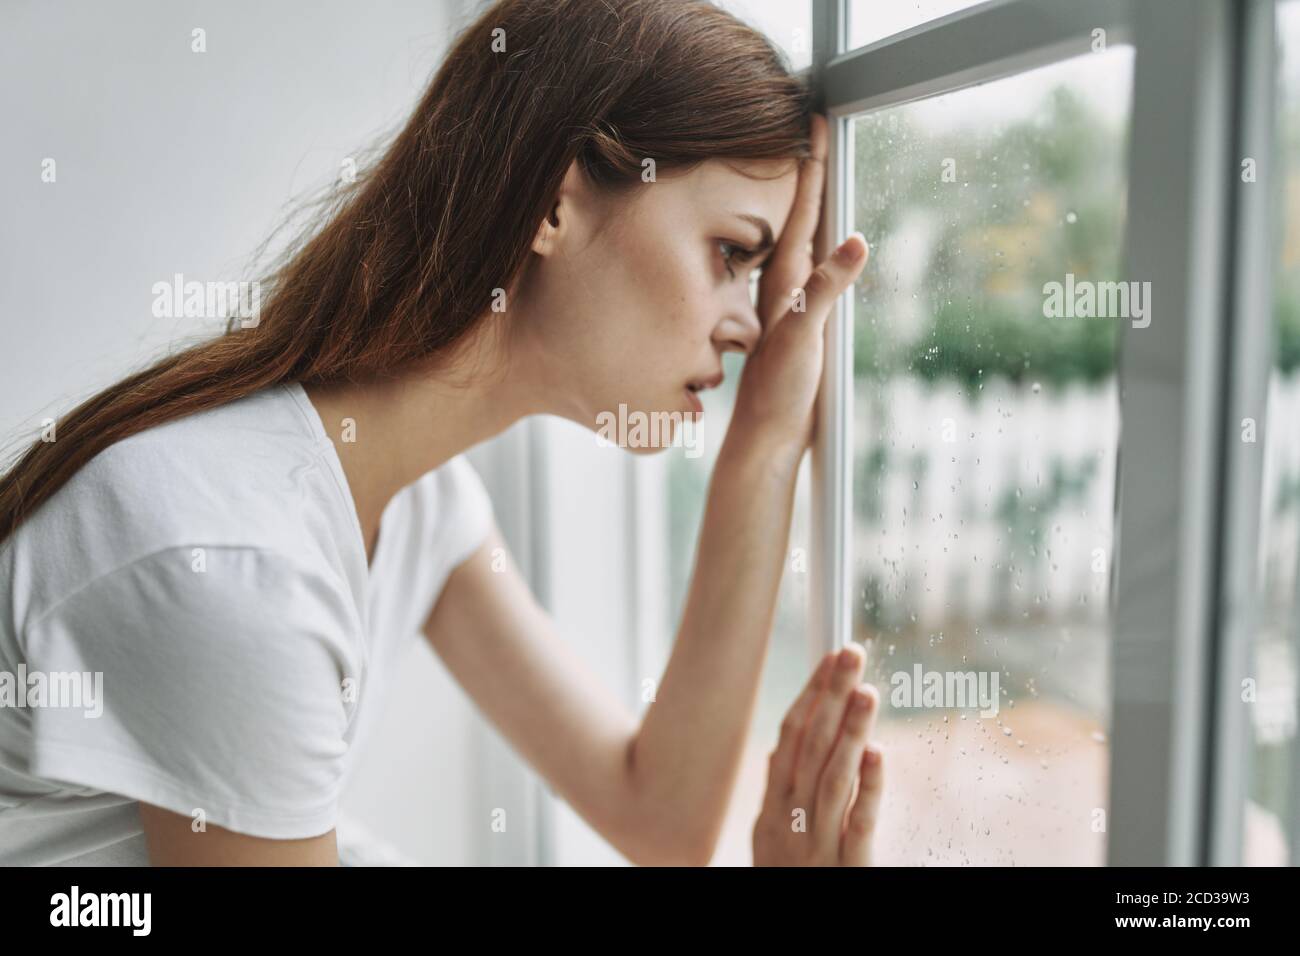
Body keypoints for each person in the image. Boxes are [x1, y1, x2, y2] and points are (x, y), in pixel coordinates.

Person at [0, 0, 880, 866]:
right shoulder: (238, 558)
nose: (750, 324)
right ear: (551, 203)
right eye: (732, 253)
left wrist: (766, 435)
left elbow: (659, 816)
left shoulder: (409, 494)